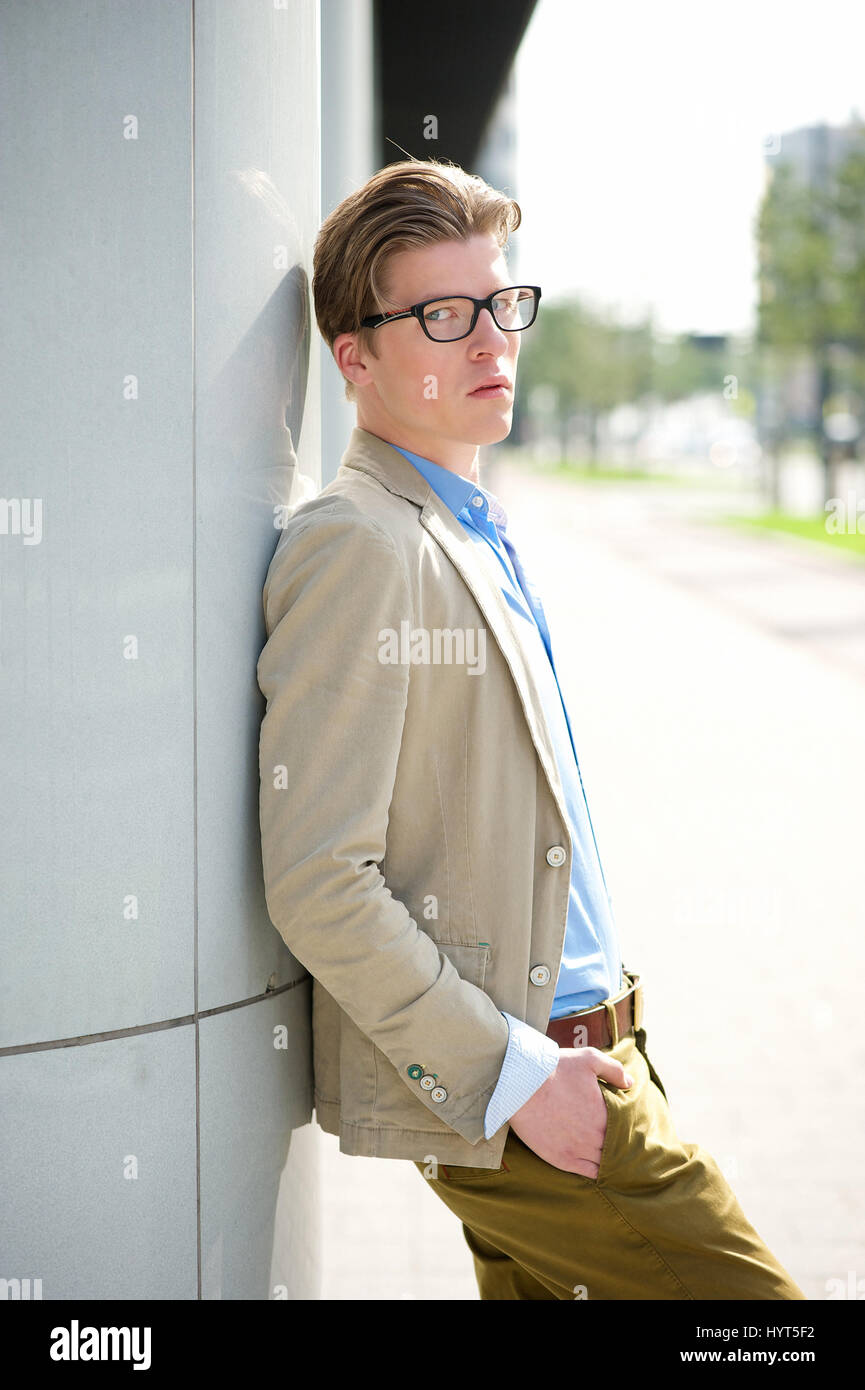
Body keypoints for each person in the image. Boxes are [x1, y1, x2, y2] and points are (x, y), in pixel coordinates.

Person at [255, 156, 805, 1301]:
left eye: (500, 304)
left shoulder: (468, 528)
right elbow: (318, 878)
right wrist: (515, 1078)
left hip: (590, 1050)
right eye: (442, 316)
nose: (491, 342)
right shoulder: (362, 542)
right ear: (354, 356)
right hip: (527, 1074)